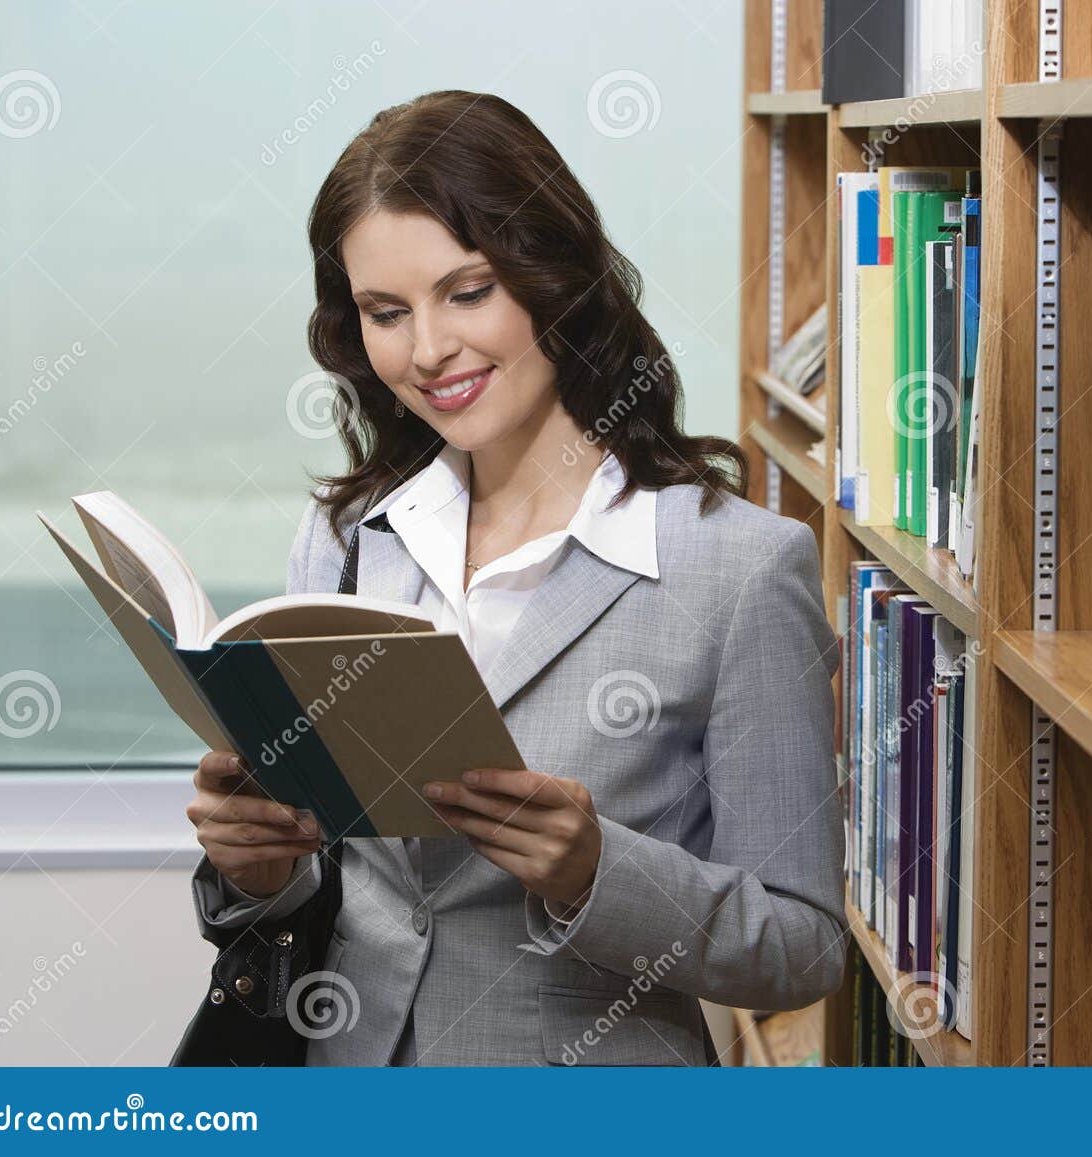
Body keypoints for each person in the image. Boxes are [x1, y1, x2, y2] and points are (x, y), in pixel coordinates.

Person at [182, 90, 844, 1065]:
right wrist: (258, 866)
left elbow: (802, 946)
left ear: (554, 277)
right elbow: (339, 893)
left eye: (468, 291)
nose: (428, 349)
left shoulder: (739, 567)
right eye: (385, 312)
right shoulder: (347, 541)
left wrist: (595, 870)